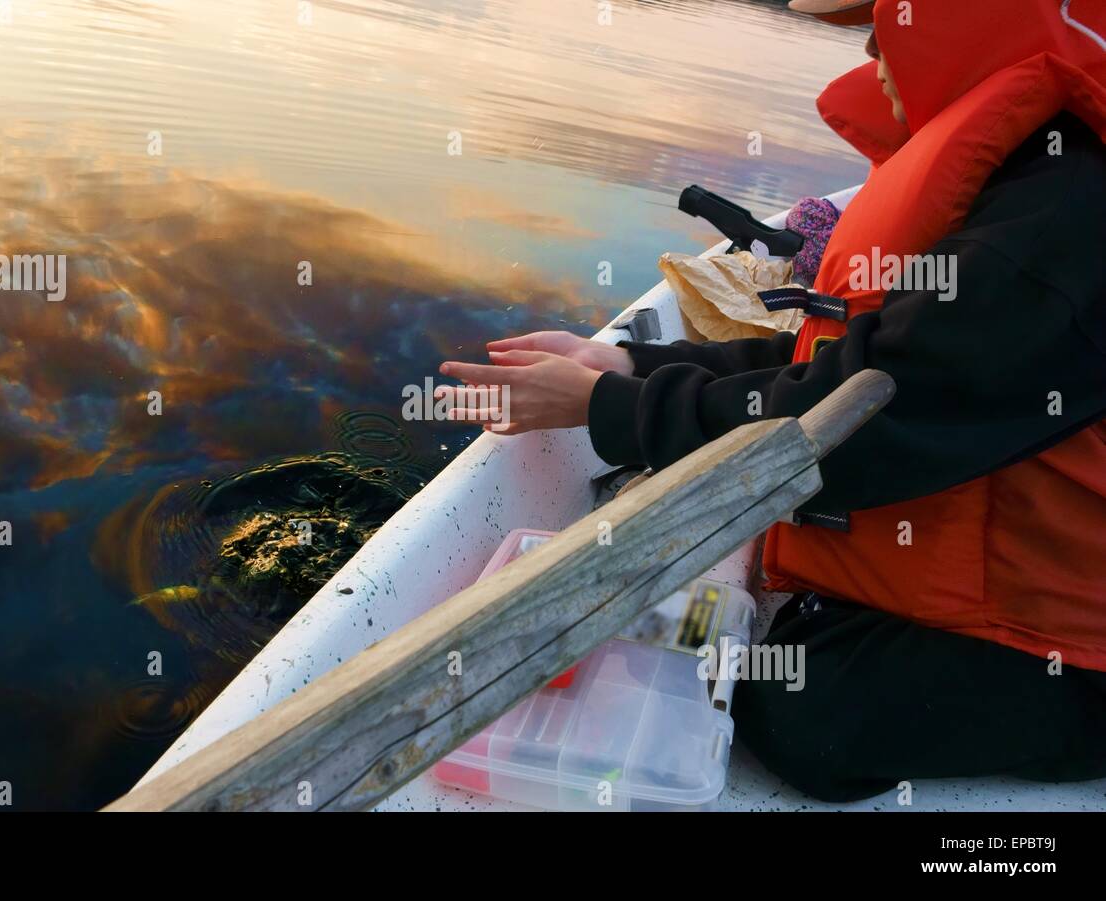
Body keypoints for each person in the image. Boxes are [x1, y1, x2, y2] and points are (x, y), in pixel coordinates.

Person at [438, 0, 1106, 802]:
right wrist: (623, 361)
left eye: (881, 24)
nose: (867, 53)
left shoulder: (1065, 217)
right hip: (1001, 546)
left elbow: (856, 421)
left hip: (1080, 645)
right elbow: (833, 359)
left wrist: (609, 407)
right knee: (752, 629)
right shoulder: (1031, 170)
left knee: (798, 711)